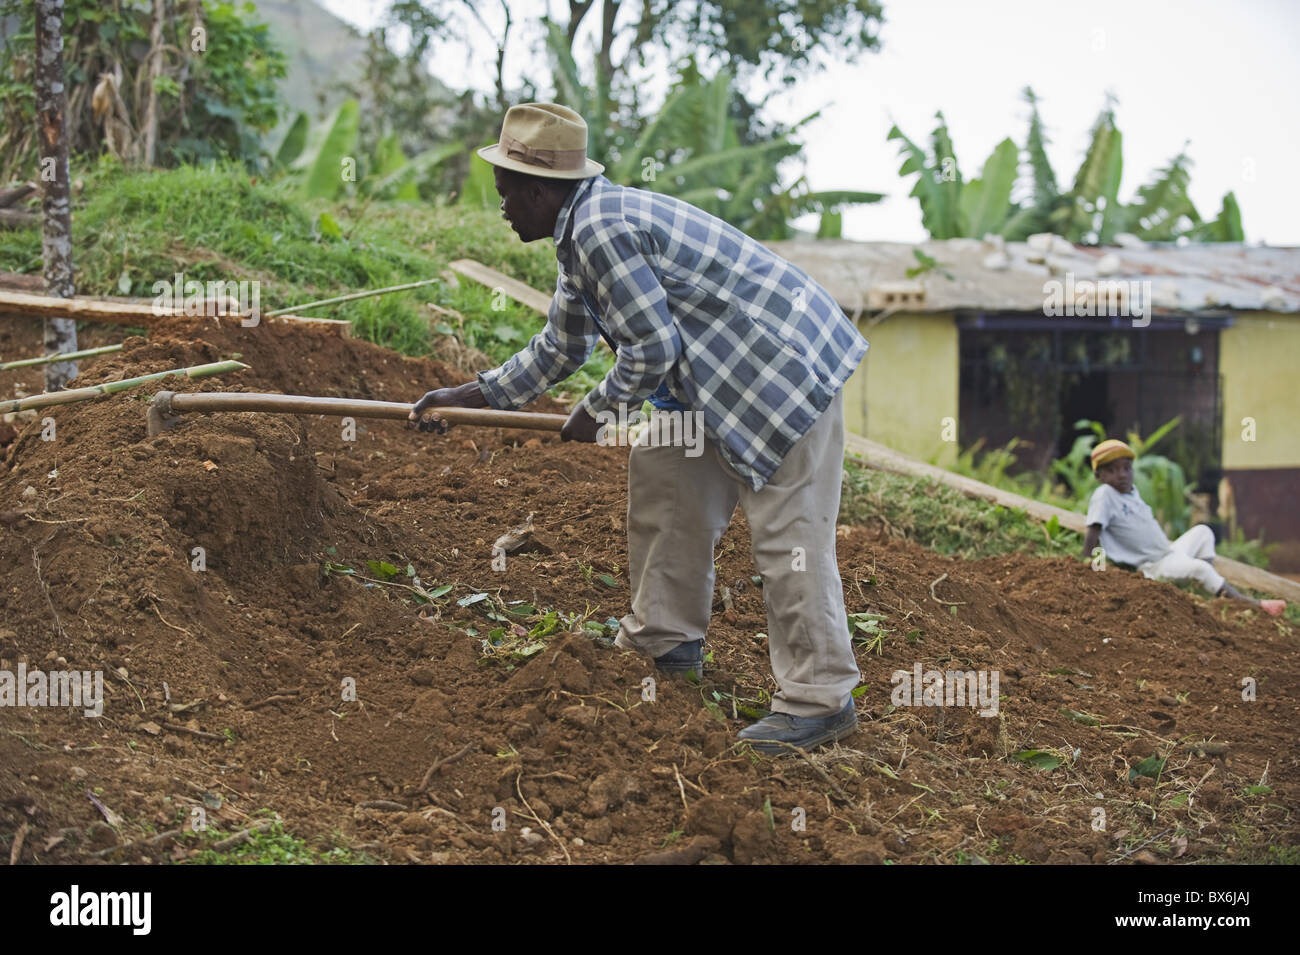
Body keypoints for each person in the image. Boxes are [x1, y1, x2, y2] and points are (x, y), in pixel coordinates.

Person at [410, 102, 868, 754]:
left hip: (780, 375)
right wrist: (470, 393)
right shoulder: (579, 238)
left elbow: (651, 349)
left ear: (542, 190)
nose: (504, 208)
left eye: (508, 194)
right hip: (709, 387)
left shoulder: (600, 228)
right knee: (665, 474)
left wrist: (598, 411)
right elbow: (559, 348)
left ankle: (820, 699)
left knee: (787, 538)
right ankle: (666, 640)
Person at [1082, 439, 1286, 616]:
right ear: (1099, 475)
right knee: (1201, 567)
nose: (1121, 475)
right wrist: (1093, 565)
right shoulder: (1105, 494)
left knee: (1204, 532)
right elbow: (1095, 532)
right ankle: (1252, 605)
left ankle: (1204, 588)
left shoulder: (1131, 493)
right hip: (1153, 566)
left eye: (1127, 468)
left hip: (1169, 553)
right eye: (1112, 470)